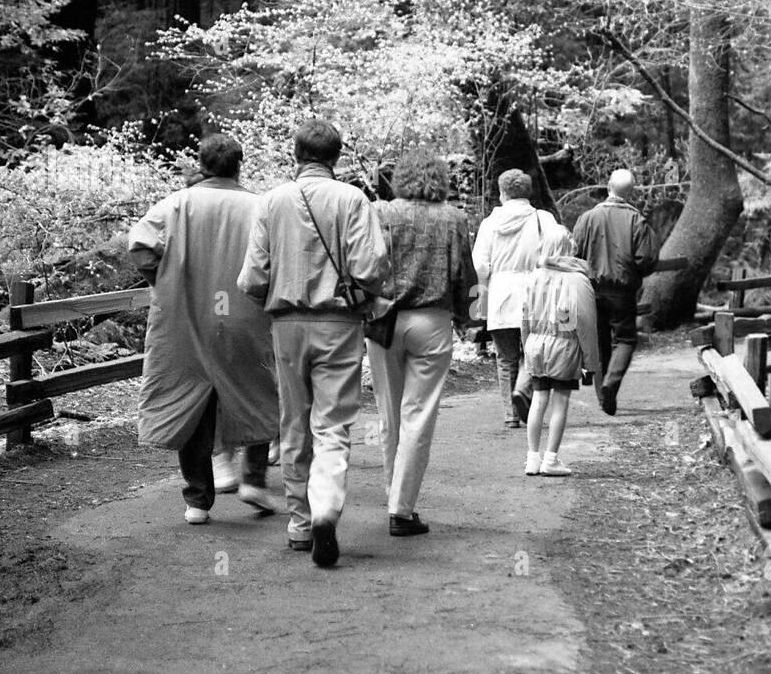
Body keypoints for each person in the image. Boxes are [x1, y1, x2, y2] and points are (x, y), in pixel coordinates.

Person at [237, 119, 389, 568]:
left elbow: (251, 278)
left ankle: (300, 524)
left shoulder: (272, 201)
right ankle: (325, 507)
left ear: (297, 155)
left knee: (293, 422)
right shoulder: (354, 200)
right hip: (339, 325)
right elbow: (371, 268)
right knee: (333, 424)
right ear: (337, 157)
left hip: (287, 325)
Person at [127, 133, 279, 525]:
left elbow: (141, 245)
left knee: (192, 396)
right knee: (257, 390)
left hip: (187, 316)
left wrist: (164, 280)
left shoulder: (177, 204)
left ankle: (198, 500)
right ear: (239, 164)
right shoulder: (260, 206)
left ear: (202, 163)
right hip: (244, 314)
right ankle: (254, 479)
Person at [367, 148, 477, 536]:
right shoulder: (454, 217)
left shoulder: (381, 212)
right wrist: (469, 318)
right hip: (432, 320)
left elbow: (367, 266)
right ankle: (401, 507)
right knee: (419, 414)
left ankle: (393, 496)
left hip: (383, 319)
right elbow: (464, 272)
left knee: (389, 416)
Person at [471, 169, 559, 428]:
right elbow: (559, 250)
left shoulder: (490, 223)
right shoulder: (543, 220)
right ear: (528, 192)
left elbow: (480, 265)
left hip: (500, 294)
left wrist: (480, 299)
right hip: (535, 293)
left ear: (502, 193)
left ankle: (510, 414)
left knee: (505, 357)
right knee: (536, 351)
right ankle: (524, 391)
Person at [573, 169, 658, 415]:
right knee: (626, 340)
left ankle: (603, 398)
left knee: (599, 343)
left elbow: (574, 252)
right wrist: (635, 272)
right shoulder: (637, 221)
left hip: (591, 289)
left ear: (608, 186)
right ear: (631, 192)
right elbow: (647, 258)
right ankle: (611, 384)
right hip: (622, 290)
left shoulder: (587, 218)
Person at [520, 227, 599, 476]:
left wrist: (526, 347)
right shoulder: (578, 280)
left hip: (535, 345)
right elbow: (585, 323)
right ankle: (551, 459)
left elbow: (524, 317)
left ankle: (532, 458)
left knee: (538, 399)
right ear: (569, 248)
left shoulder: (534, 277)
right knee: (561, 401)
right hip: (564, 346)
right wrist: (591, 361)